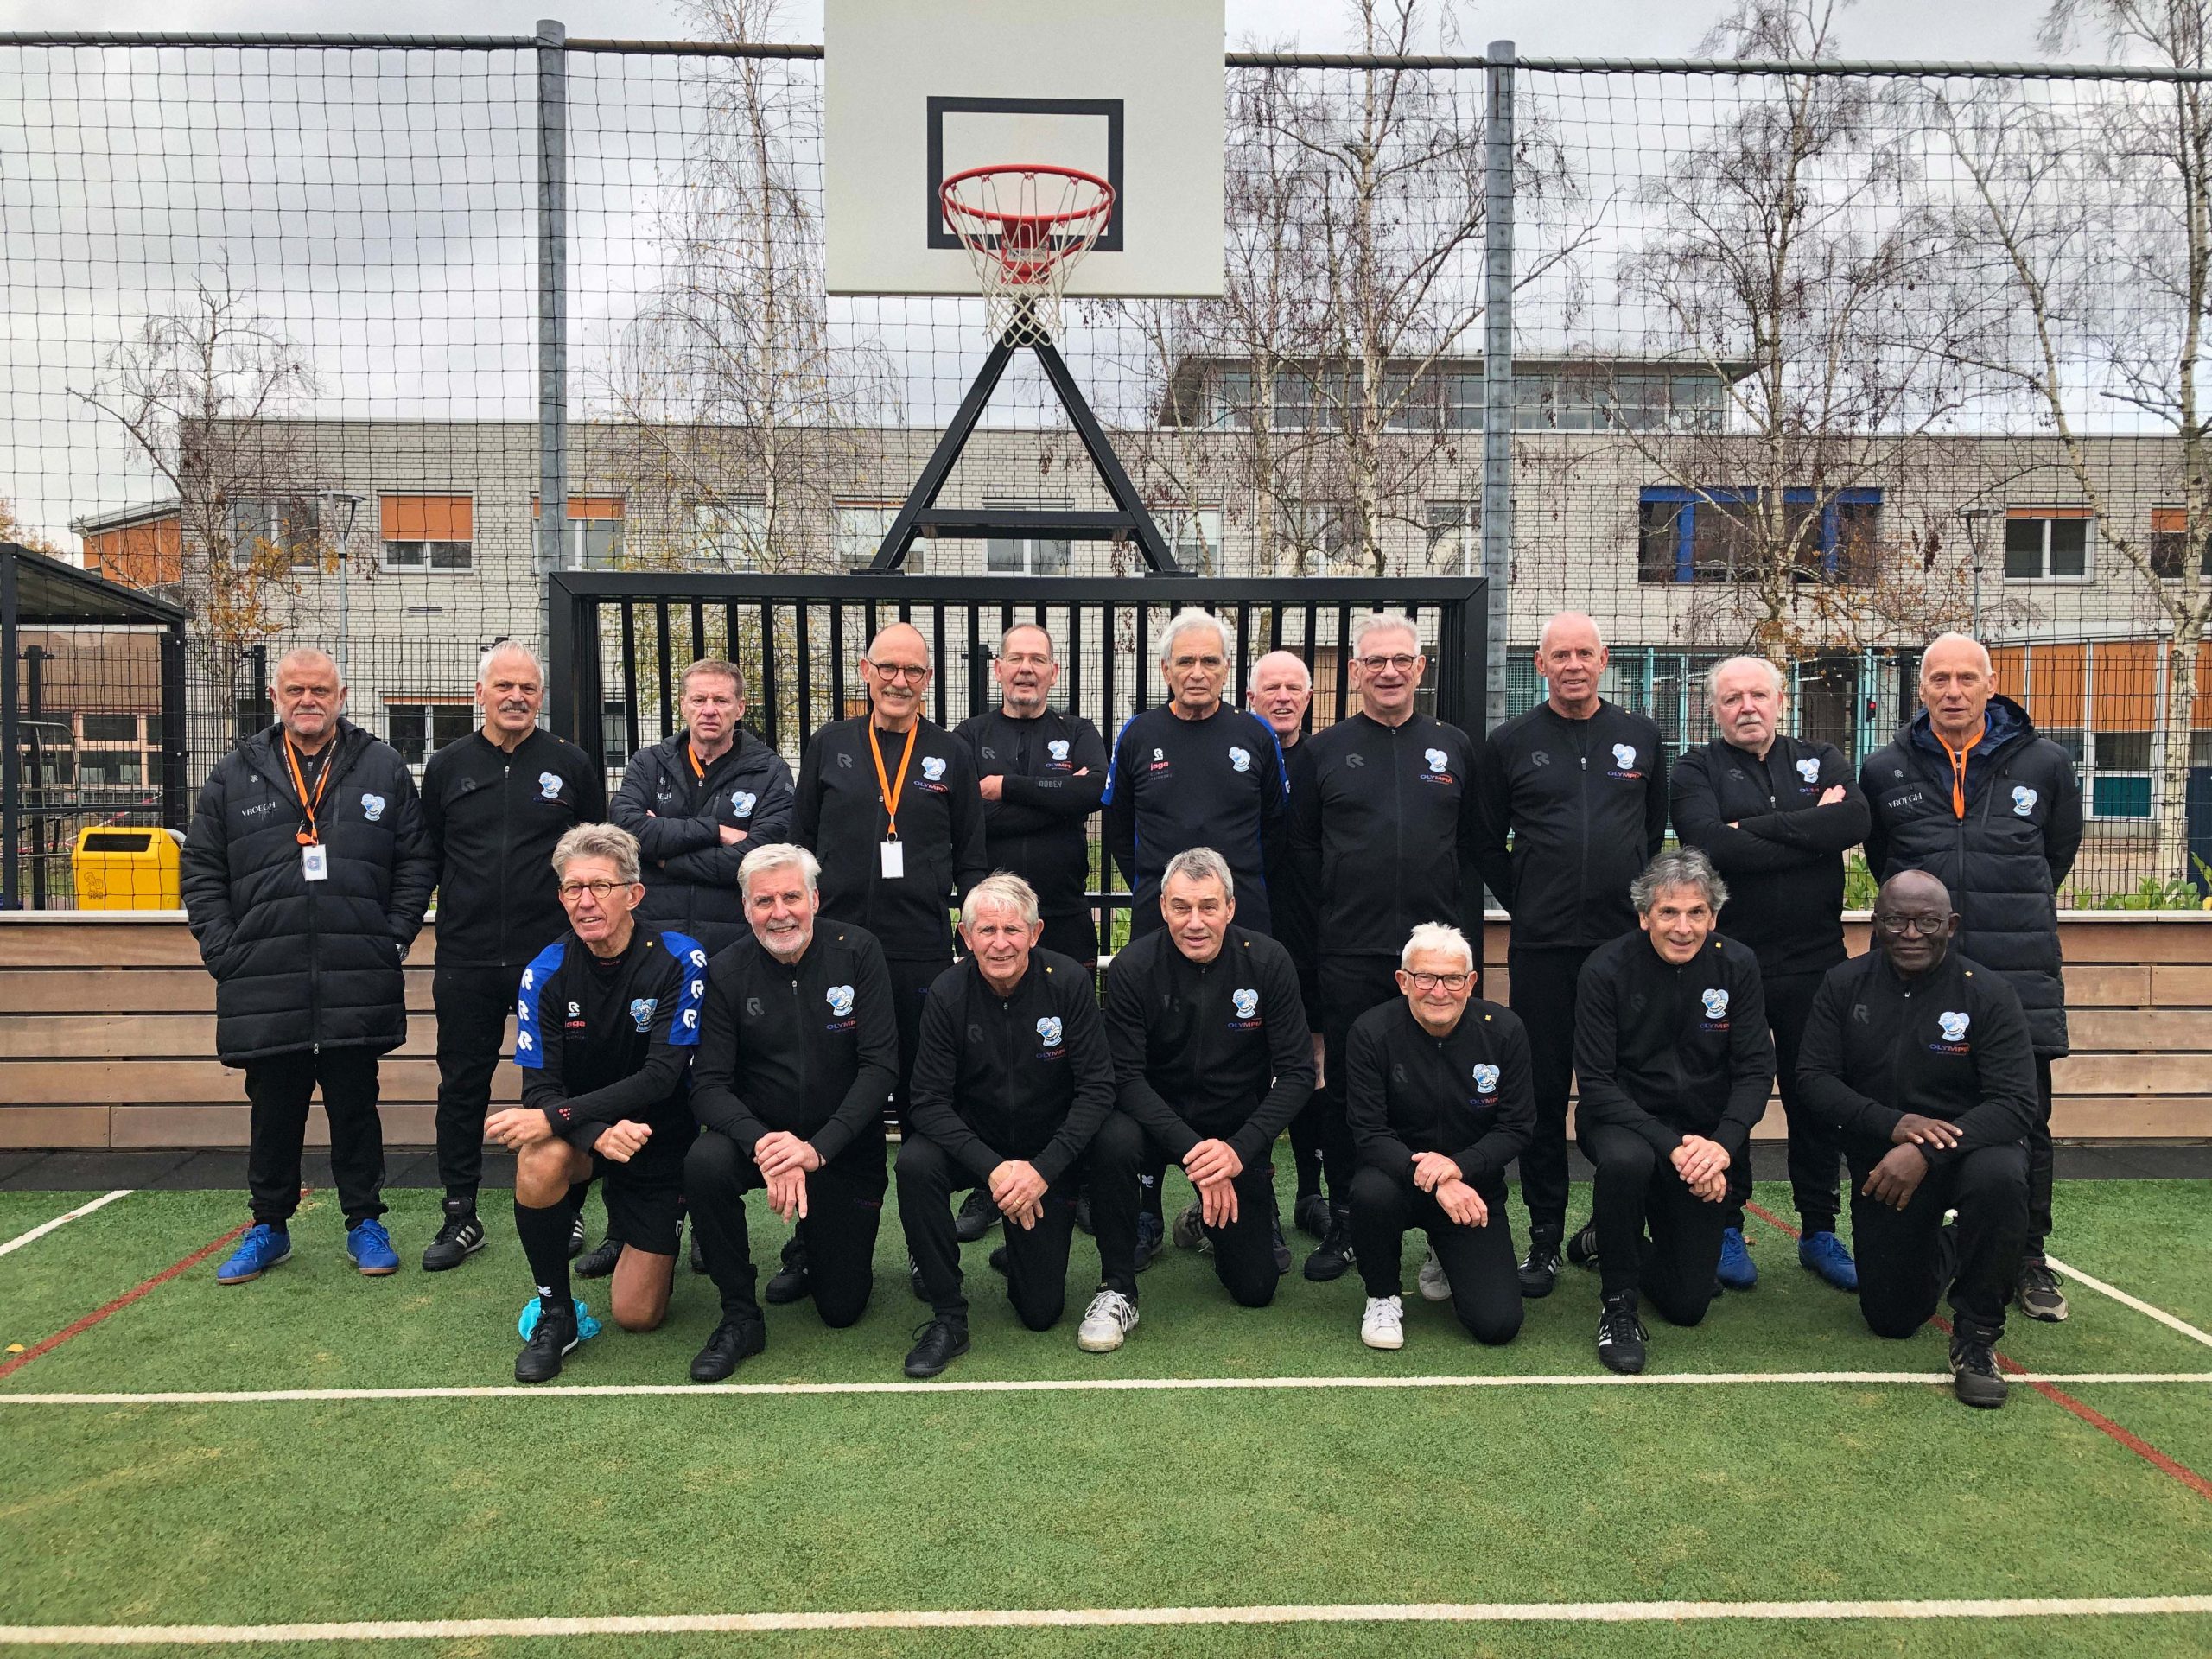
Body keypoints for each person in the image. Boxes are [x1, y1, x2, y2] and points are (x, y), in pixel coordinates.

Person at [185, 646, 435, 1286]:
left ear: (341, 695)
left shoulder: (381, 765)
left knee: (357, 1104)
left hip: (357, 971)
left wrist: (393, 938)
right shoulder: (235, 773)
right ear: (276, 697)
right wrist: (225, 951)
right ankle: (269, 1226)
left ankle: (364, 1223)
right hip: (265, 977)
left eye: (320, 690)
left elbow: (415, 863)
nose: (308, 700)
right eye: (295, 689)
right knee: (274, 1109)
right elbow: (203, 872)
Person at [1859, 632, 2081, 1323]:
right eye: (1939, 680)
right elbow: (1885, 866)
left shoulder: (2044, 764)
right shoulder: (1884, 768)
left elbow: (2056, 855)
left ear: (1992, 685)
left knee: (2028, 1123)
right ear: (1920, 690)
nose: (1952, 691)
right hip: (1917, 977)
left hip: (2019, 976)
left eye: (1966, 678)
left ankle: (2029, 1259)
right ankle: (1918, 1238)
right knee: (1906, 1102)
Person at [1284, 610, 1484, 1286]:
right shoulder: (1322, 753)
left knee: (1442, 1090)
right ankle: (1346, 1216)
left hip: (1435, 961)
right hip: (1350, 952)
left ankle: (1437, 1223)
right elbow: (1303, 854)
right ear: (1357, 672)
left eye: (1402, 659)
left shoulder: (1455, 747)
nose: (1390, 671)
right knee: (1347, 1091)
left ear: (1421, 667)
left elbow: (1470, 848)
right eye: (1376, 662)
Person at [1472, 612, 1667, 1298]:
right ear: (1541, 665)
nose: (1575, 664)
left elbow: (1649, 834)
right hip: (1543, 948)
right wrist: (1527, 899)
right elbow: (1483, 839)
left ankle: (1615, 1226)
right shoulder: (1510, 743)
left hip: (1624, 950)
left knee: (1626, 1086)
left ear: (1605, 659)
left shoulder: (1640, 736)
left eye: (1586, 652)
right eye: (1562, 655)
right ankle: (1547, 1237)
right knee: (1545, 1091)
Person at [1796, 871, 2037, 1408]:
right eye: (1895, 920)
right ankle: (1956, 1242)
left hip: (1972, 1153)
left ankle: (1975, 1338)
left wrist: (1925, 1147)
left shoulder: (1989, 993)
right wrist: (1892, 1126)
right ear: (1875, 923)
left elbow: (2018, 1104)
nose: (1911, 933)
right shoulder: (1843, 984)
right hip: (1886, 1167)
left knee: (2002, 1175)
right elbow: (1813, 1079)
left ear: (1949, 926)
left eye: (1927, 922)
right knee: (1892, 1321)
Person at [1669, 655, 1868, 1294]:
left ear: (1783, 699)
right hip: (1729, 965)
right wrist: (1812, 830)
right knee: (1729, 1095)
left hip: (1817, 964)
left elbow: (1855, 821)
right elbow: (1708, 845)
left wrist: (1752, 831)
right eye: (1732, 698)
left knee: (1815, 1097)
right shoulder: (1696, 769)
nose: (1746, 706)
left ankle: (1818, 1230)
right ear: (1712, 708)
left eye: (1758, 694)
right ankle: (1726, 1222)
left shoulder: (1823, 756)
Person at [491, 823, 706, 1383]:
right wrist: (590, 1133)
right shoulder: (544, 971)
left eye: (601, 886)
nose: (585, 901)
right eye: (572, 888)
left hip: (657, 1138)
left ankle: (664, 1221)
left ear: (633, 894)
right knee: (538, 1156)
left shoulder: (681, 959)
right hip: (591, 1137)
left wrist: (571, 1120)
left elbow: (663, 1077)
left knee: (637, 1316)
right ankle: (555, 1312)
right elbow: (539, 1093)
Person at [417, 642, 605, 1273]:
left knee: (556, 1085)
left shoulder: (571, 764)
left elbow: (594, 855)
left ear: (540, 696)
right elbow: (430, 854)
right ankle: (460, 1213)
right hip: (466, 957)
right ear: (480, 694)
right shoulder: (446, 766)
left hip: (553, 956)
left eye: (528, 687)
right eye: (504, 686)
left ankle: (567, 1203)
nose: (516, 696)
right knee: (462, 1085)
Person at [683, 844, 899, 1379]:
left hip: (841, 1146)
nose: (779, 912)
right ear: (745, 909)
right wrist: (764, 1145)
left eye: (790, 897)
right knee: (705, 1162)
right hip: (765, 1142)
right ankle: (739, 1315)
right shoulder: (728, 969)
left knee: (841, 1311)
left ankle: (810, 1249)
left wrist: (817, 1149)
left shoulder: (859, 951)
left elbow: (881, 1069)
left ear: (815, 899)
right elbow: (708, 1085)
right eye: (764, 901)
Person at [897, 874, 1116, 1378]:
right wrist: (993, 1169)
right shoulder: (947, 993)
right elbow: (927, 1103)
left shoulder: (1069, 982)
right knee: (915, 1161)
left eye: (1013, 930)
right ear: (966, 936)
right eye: (987, 930)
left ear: (1035, 933)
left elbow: (1098, 1089)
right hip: (979, 1149)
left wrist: (1042, 1169)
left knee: (1039, 1314)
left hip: (1046, 1155)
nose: (1000, 943)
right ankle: (949, 1317)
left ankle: (1026, 1259)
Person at [1095, 849, 1313, 1346]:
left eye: (1208, 907)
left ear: (1231, 909)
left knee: (1257, 1287)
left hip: (1233, 1134)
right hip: (1155, 1123)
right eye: (1181, 907)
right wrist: (1200, 1157)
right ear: (1163, 909)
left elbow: (1298, 1074)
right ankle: (1122, 1270)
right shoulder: (1132, 966)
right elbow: (1125, 1078)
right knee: (1112, 1137)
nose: (1195, 922)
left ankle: (1201, 1218)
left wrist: (1237, 1150)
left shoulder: (1270, 961)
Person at [1569, 849, 1773, 1376]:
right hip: (1624, 1125)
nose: (1683, 928)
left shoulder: (1739, 964)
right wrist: (1677, 1147)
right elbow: (1595, 1083)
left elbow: (1754, 1072)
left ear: (1714, 915)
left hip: (1704, 1139)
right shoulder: (1605, 968)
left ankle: (1609, 1238)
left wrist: (1721, 1147)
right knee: (1626, 1163)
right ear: (1643, 916)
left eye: (1696, 913)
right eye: (1668, 913)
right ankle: (1618, 1306)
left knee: (1687, 1307)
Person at [952, 623, 1108, 1246]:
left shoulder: (1078, 733)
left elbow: (1092, 791)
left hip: (1063, 917)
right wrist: (1053, 799)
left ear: (1054, 671)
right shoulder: (968, 737)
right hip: (991, 924)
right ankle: (986, 1182)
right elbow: (966, 809)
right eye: (1014, 658)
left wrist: (1008, 790)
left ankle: (1078, 1176)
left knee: (1071, 1046)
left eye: (1036, 660)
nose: (1025, 669)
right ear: (996, 669)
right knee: (983, 1051)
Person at [1344, 922, 1533, 1352]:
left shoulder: (1504, 1031)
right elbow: (1369, 1132)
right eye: (1425, 977)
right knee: (1370, 1192)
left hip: (1471, 1188)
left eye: (1451, 979)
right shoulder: (1371, 1033)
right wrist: (1439, 1178)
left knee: (1498, 1324)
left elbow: (1517, 1127)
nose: (1439, 991)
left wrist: (1460, 1168)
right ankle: (1382, 1296)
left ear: (1470, 982)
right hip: (1395, 1180)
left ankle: (1443, 1253)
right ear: (1403, 981)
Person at [1103, 607, 1289, 940]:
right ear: (1166, 670)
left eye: (1210, 662)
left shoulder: (1256, 734)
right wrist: (1155, 884)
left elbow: (1276, 826)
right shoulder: (1138, 734)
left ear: (1227, 669)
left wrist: (1238, 880)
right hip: (1159, 915)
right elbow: (1118, 827)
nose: (1198, 673)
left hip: (1241, 913)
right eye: (1186, 661)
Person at [608, 658, 795, 957]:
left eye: (721, 700)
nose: (709, 710)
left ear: (740, 708)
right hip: (654, 939)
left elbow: (762, 857)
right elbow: (626, 832)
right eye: (699, 699)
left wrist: (668, 860)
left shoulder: (770, 771)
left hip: (736, 943)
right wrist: (715, 830)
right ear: (684, 705)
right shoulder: (648, 764)